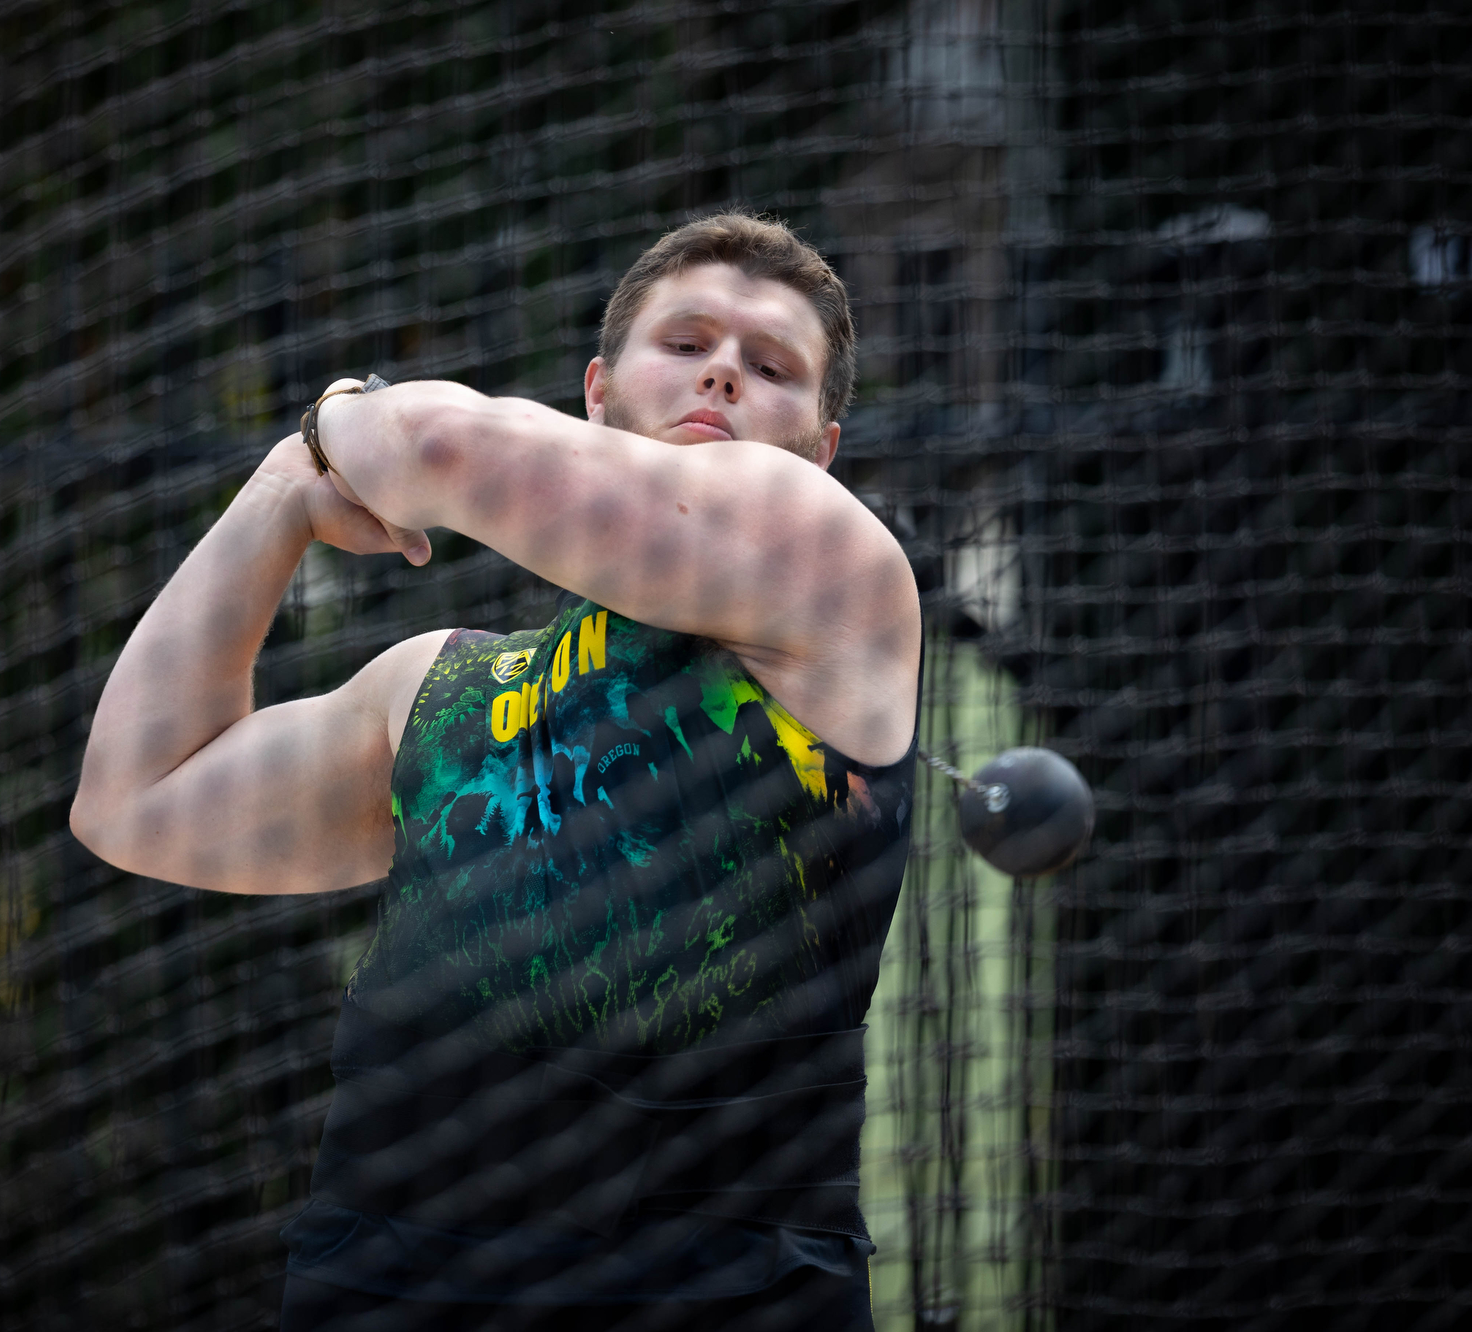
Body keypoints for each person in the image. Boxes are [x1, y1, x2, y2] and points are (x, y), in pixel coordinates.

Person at [70, 212, 922, 1331]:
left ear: (819, 450)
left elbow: (431, 445)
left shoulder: (838, 568)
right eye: (685, 343)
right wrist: (281, 488)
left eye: (770, 369)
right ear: (596, 397)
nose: (722, 371)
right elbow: (137, 798)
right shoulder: (436, 689)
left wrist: (333, 416)